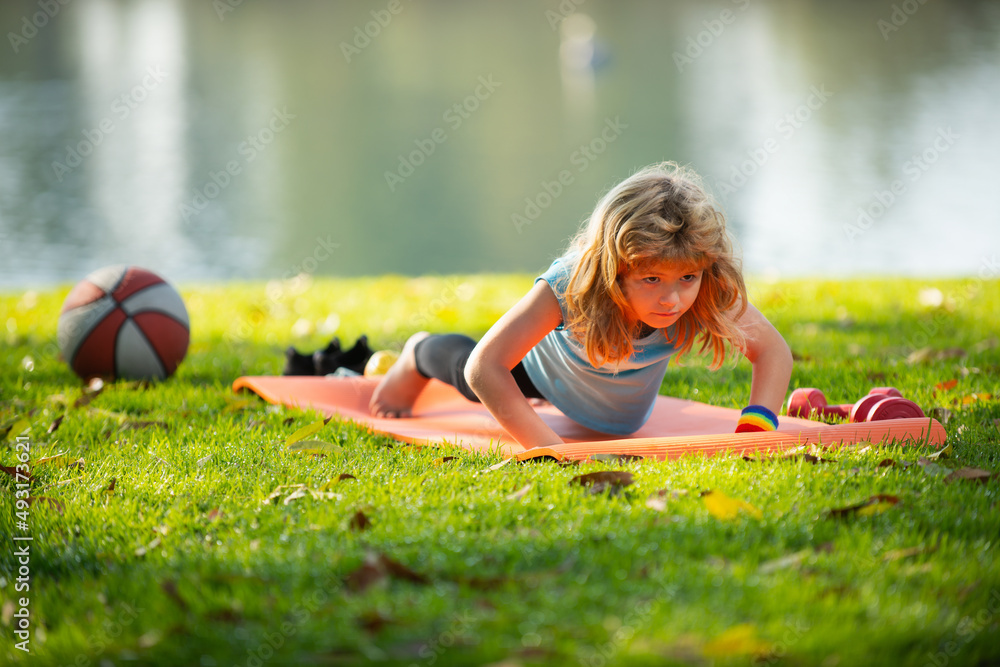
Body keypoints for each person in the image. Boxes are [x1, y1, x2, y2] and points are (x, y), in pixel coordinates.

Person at [369, 162, 793, 449]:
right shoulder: (569, 285)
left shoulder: (707, 288)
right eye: (651, 279)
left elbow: (771, 351)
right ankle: (417, 353)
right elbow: (485, 366)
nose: (672, 298)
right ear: (614, 269)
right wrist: (549, 449)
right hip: (542, 375)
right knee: (467, 377)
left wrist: (755, 430)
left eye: (687, 278)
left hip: (620, 415)